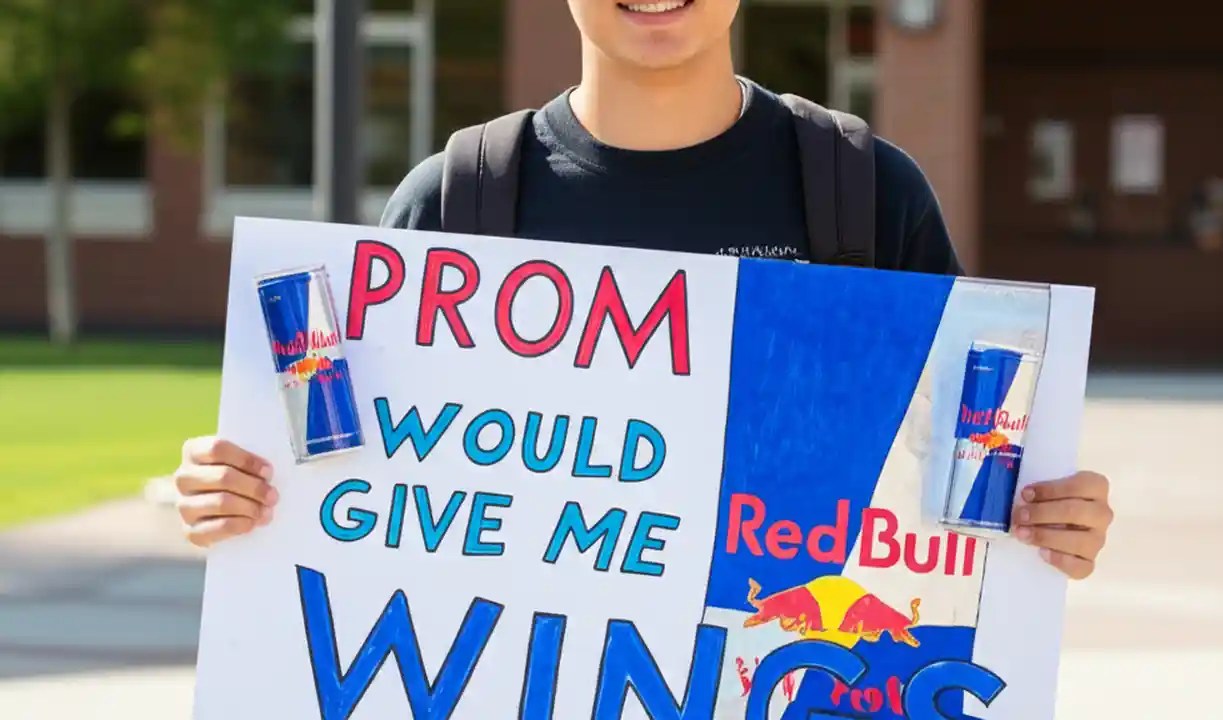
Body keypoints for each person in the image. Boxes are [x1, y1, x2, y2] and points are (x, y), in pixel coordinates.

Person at [173, 0, 1113, 579]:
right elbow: (345, 488)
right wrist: (241, 497)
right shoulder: (458, 199)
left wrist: (1048, 521)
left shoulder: (866, 193)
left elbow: (968, 481)